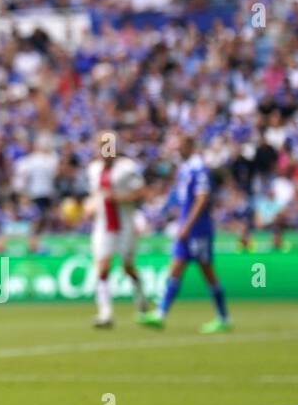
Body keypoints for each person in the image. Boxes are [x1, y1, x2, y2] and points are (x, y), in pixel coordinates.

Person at [139, 131, 230, 333]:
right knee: (176, 268)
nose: (177, 150)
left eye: (180, 146)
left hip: (198, 229)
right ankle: (161, 313)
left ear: (189, 146)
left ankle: (224, 318)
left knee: (208, 272)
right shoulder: (186, 169)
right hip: (186, 228)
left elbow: (202, 198)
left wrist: (187, 226)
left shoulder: (199, 169)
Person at [86, 148, 150, 328]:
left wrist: (119, 198)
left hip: (125, 224)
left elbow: (141, 192)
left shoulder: (127, 168)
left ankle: (142, 298)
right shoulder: (93, 169)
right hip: (102, 225)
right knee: (103, 267)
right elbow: (95, 195)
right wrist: (89, 207)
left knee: (127, 267)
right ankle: (105, 313)